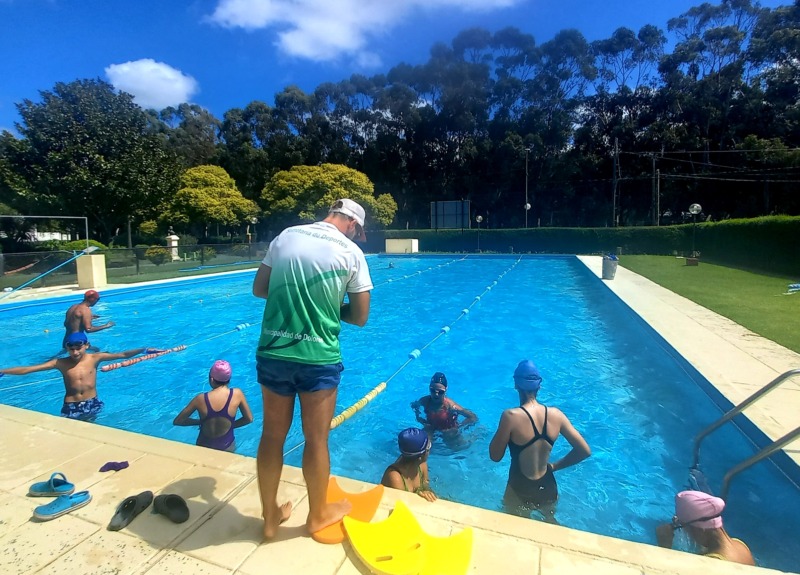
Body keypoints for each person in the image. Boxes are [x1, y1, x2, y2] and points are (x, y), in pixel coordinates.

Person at [252, 198, 372, 540]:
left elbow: (260, 288)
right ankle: (317, 515)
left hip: (274, 351)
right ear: (353, 224)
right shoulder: (350, 252)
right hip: (318, 358)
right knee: (316, 439)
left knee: (272, 437)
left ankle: (270, 517)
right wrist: (329, 310)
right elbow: (360, 317)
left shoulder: (286, 236)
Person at [489, 359, 591, 523]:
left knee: (513, 531)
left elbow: (495, 456)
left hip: (519, 488)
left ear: (516, 385)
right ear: (539, 386)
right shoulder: (556, 415)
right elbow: (584, 450)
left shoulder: (510, 417)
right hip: (548, 487)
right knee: (550, 528)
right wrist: (554, 466)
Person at [0, 332, 155, 421]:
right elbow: (28, 369)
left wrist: (143, 349)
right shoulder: (60, 362)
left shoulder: (95, 358)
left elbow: (122, 354)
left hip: (92, 402)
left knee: (91, 432)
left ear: (86, 345)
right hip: (71, 406)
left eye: (78, 348)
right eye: (71, 349)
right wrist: (4, 371)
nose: (75, 352)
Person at [172, 360, 253, 452]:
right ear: (229, 378)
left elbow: (178, 421)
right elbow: (249, 419)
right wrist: (229, 426)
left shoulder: (200, 399)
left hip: (203, 447)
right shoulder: (237, 394)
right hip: (227, 447)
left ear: (211, 379)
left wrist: (200, 422)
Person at [655, 490, 755, 565]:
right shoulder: (740, 545)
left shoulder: (711, 564)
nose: (687, 534)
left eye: (684, 527)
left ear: (702, 529)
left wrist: (664, 548)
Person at [411, 371, 478, 441]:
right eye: (433, 390)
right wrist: (420, 419)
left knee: (458, 448)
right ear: (429, 388)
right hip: (431, 428)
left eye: (440, 392)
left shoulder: (451, 406)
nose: (436, 394)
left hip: (448, 430)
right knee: (423, 442)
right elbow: (414, 405)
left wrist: (458, 428)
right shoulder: (424, 401)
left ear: (446, 390)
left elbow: (472, 417)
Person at [381, 428, 436, 502]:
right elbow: (401, 505)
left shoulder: (422, 465)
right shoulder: (395, 477)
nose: (429, 452)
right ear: (420, 457)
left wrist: (427, 492)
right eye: (428, 448)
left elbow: (426, 485)